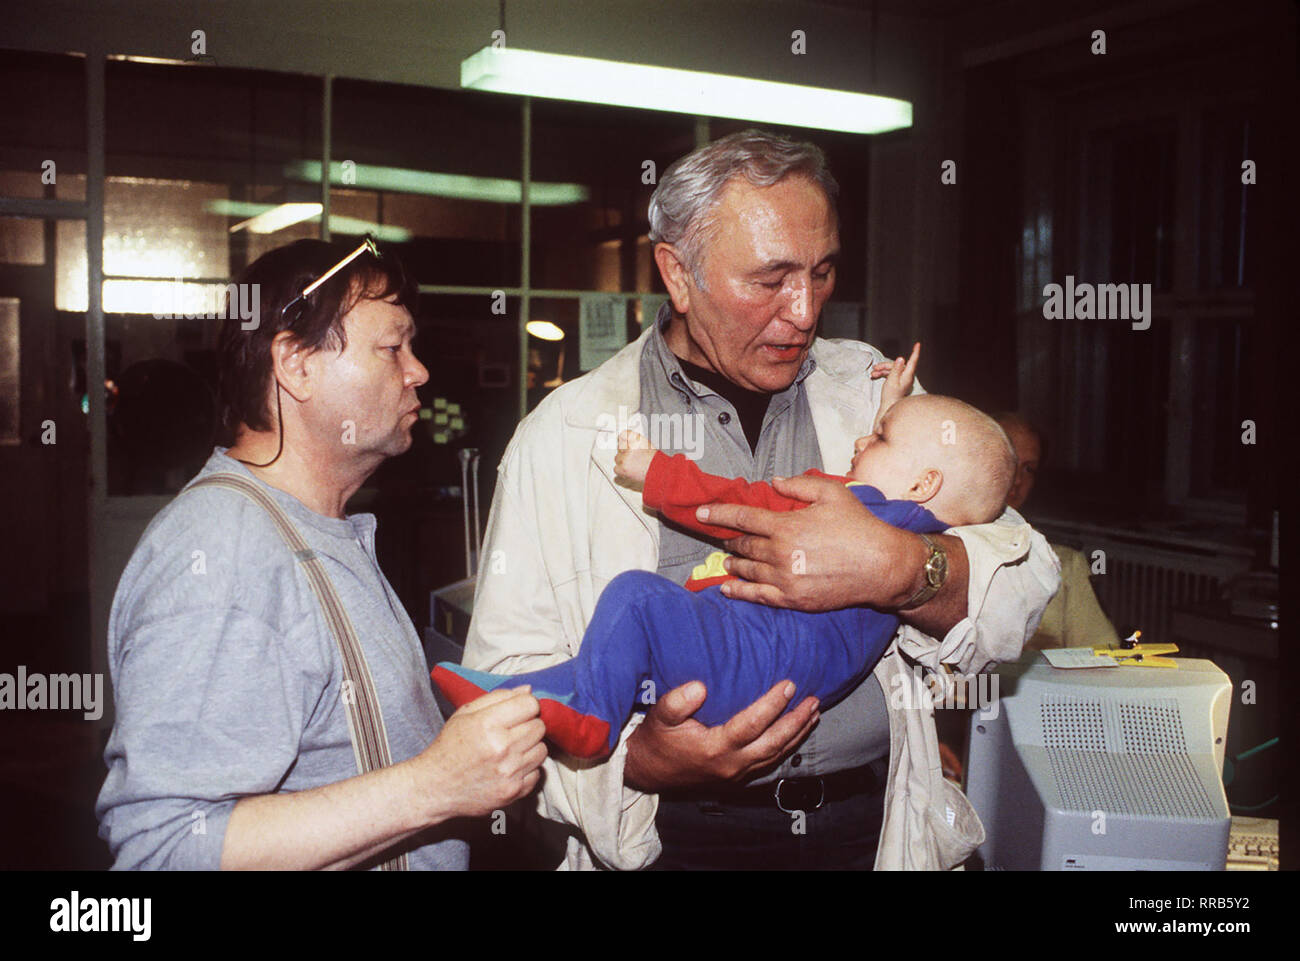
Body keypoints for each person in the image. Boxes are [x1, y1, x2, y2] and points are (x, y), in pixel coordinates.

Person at [463, 129, 1060, 871]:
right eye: (770, 278)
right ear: (678, 275)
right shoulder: (561, 436)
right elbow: (502, 690)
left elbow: (1026, 578)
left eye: (822, 271)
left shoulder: (874, 398)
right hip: (674, 840)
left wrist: (902, 565)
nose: (805, 310)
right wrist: (637, 763)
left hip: (866, 828)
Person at [96, 239, 546, 870]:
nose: (417, 371)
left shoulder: (314, 529)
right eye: (392, 347)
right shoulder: (225, 552)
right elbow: (168, 849)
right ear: (296, 364)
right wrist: (438, 785)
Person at [436, 360, 1016, 760]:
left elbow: (740, 501)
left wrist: (655, 472)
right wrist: (889, 412)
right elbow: (902, 481)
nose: (862, 443)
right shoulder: (921, 517)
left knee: (636, 599)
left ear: (924, 480)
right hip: (787, 680)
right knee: (629, 651)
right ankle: (525, 698)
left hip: (756, 660)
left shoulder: (849, 503)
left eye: (879, 438)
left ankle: (583, 716)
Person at [994, 412, 1120, 650]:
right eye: (1007, 462)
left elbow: (1103, 652)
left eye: (1028, 469)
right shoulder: (939, 550)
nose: (1017, 480)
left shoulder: (1064, 563)